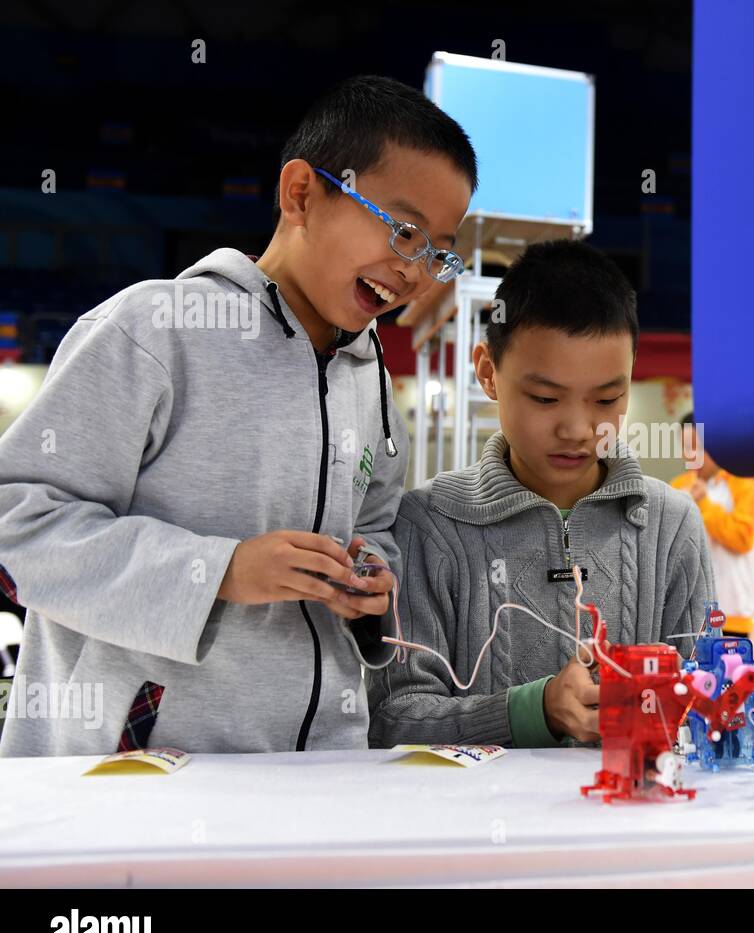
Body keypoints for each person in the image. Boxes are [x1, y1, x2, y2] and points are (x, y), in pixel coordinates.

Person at [0, 75, 474, 755]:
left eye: (437, 251)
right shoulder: (155, 331)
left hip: (316, 776)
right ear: (301, 194)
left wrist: (370, 576)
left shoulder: (372, 384)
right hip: (138, 780)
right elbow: (17, 523)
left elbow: (375, 525)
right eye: (403, 231)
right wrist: (216, 571)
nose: (414, 272)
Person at [368, 241, 713, 748]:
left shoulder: (671, 526)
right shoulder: (429, 525)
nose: (577, 428)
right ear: (487, 372)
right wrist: (533, 710)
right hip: (475, 821)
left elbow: (705, 695)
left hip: (632, 820)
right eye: (545, 398)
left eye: (607, 398)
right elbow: (393, 719)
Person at [670, 415, 754, 637]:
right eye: (686, 448)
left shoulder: (742, 484)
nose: (691, 456)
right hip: (686, 614)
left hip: (732, 611)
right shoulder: (677, 487)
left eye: (697, 448)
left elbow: (743, 539)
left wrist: (704, 504)